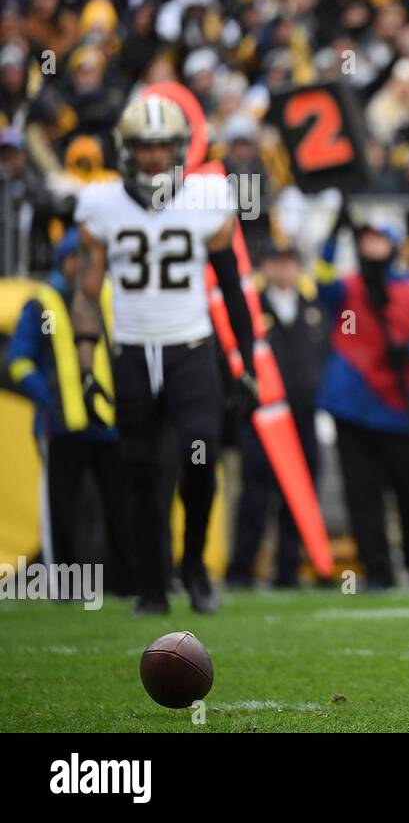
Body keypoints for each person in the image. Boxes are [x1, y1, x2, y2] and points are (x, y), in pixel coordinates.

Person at [71, 94, 258, 615]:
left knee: (200, 459)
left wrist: (248, 364)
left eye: (162, 147)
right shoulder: (101, 205)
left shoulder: (206, 197)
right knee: (142, 474)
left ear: (180, 149)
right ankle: (153, 587)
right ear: (126, 151)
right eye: (144, 147)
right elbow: (87, 295)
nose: (154, 157)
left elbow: (232, 286)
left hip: (191, 351)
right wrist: (88, 368)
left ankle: (193, 565)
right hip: (131, 352)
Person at [315, 222, 409, 589]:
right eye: (364, 241)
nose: (370, 248)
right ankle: (378, 572)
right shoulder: (346, 288)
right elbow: (320, 281)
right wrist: (332, 236)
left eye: (378, 240)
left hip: (400, 411)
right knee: (362, 496)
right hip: (351, 407)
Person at [6, 228, 133, 596]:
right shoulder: (41, 304)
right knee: (62, 510)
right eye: (85, 258)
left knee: (120, 506)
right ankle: (65, 588)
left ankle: (124, 582)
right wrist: (48, 398)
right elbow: (19, 361)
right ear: (68, 260)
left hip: (109, 424)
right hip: (61, 426)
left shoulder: (109, 297)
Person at [226, 243, 328, 588]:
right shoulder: (253, 305)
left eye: (289, 263)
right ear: (264, 266)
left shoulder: (312, 304)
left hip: (303, 414)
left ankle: (289, 570)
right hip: (265, 415)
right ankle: (241, 570)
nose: (284, 271)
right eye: (276, 263)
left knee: (298, 495)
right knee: (255, 495)